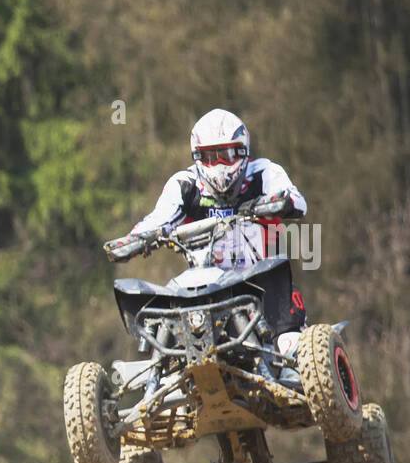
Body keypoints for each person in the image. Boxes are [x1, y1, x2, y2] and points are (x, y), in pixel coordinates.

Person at [127, 108, 309, 382]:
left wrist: (274, 203)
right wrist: (134, 239)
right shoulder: (185, 185)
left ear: (243, 152)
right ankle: (160, 377)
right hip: (204, 291)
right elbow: (157, 219)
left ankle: (298, 366)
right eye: (211, 157)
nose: (220, 165)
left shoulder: (264, 174)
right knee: (165, 307)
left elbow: (297, 201)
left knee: (292, 337)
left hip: (264, 288)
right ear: (198, 156)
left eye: (227, 154)